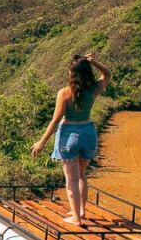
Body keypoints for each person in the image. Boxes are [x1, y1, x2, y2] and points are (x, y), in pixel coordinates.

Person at [30, 53, 111, 227]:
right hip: (88, 133)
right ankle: (81, 211)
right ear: (88, 73)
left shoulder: (65, 93)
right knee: (81, 175)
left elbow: (55, 120)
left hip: (69, 135)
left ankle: (76, 218)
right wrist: (94, 61)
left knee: (71, 180)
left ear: (71, 73)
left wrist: (41, 142)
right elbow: (107, 74)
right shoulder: (93, 90)